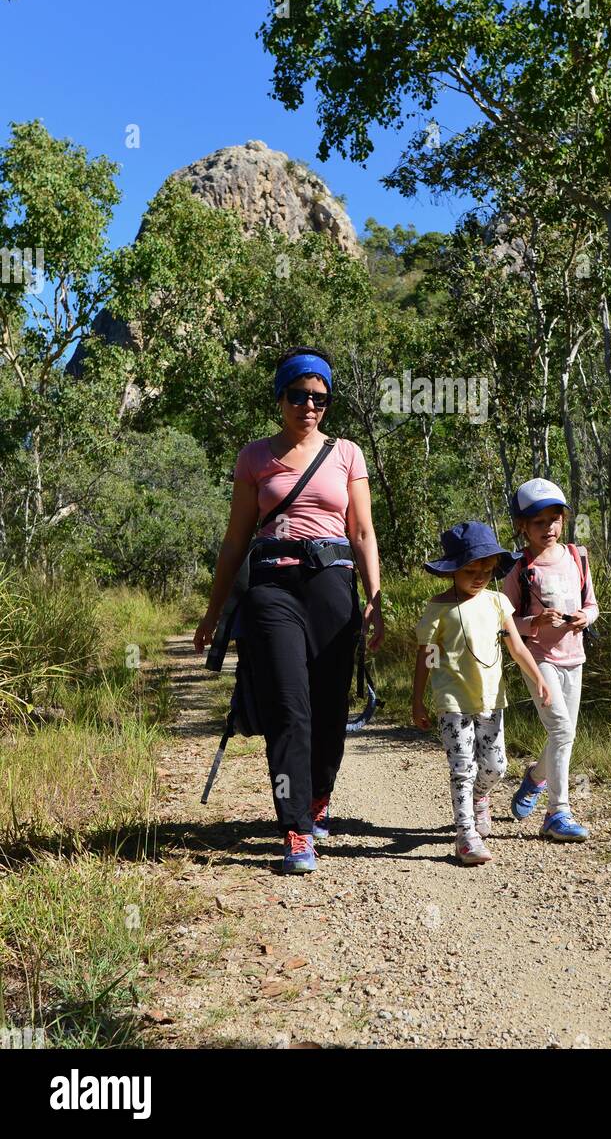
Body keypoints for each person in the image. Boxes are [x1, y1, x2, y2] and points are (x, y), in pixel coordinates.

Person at [194, 347, 384, 874]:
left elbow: (363, 532)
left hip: (332, 587)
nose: (309, 406)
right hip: (272, 590)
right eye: (298, 396)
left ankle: (318, 798)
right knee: (287, 709)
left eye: (319, 398)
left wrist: (375, 600)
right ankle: (295, 826)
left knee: (327, 709)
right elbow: (234, 541)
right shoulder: (254, 456)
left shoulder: (347, 453)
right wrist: (213, 616)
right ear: (280, 397)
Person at [413, 522, 551, 866]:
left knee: (495, 767)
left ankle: (480, 798)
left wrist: (537, 679)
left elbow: (516, 647)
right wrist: (417, 699)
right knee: (463, 768)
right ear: (452, 571)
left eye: (486, 570)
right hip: (453, 703)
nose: (479, 576)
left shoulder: (497, 602)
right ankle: (465, 835)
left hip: (492, 700)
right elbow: (426, 657)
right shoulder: (438, 609)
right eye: (470, 570)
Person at [501, 478, 598, 843]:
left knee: (563, 732)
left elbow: (592, 603)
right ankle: (558, 813)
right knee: (562, 730)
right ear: (522, 527)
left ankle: (535, 777)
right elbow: (504, 620)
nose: (549, 528)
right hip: (538, 657)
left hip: (576, 657)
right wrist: (534, 623)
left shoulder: (578, 556)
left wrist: (585, 618)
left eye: (555, 519)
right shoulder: (519, 568)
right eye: (539, 523)